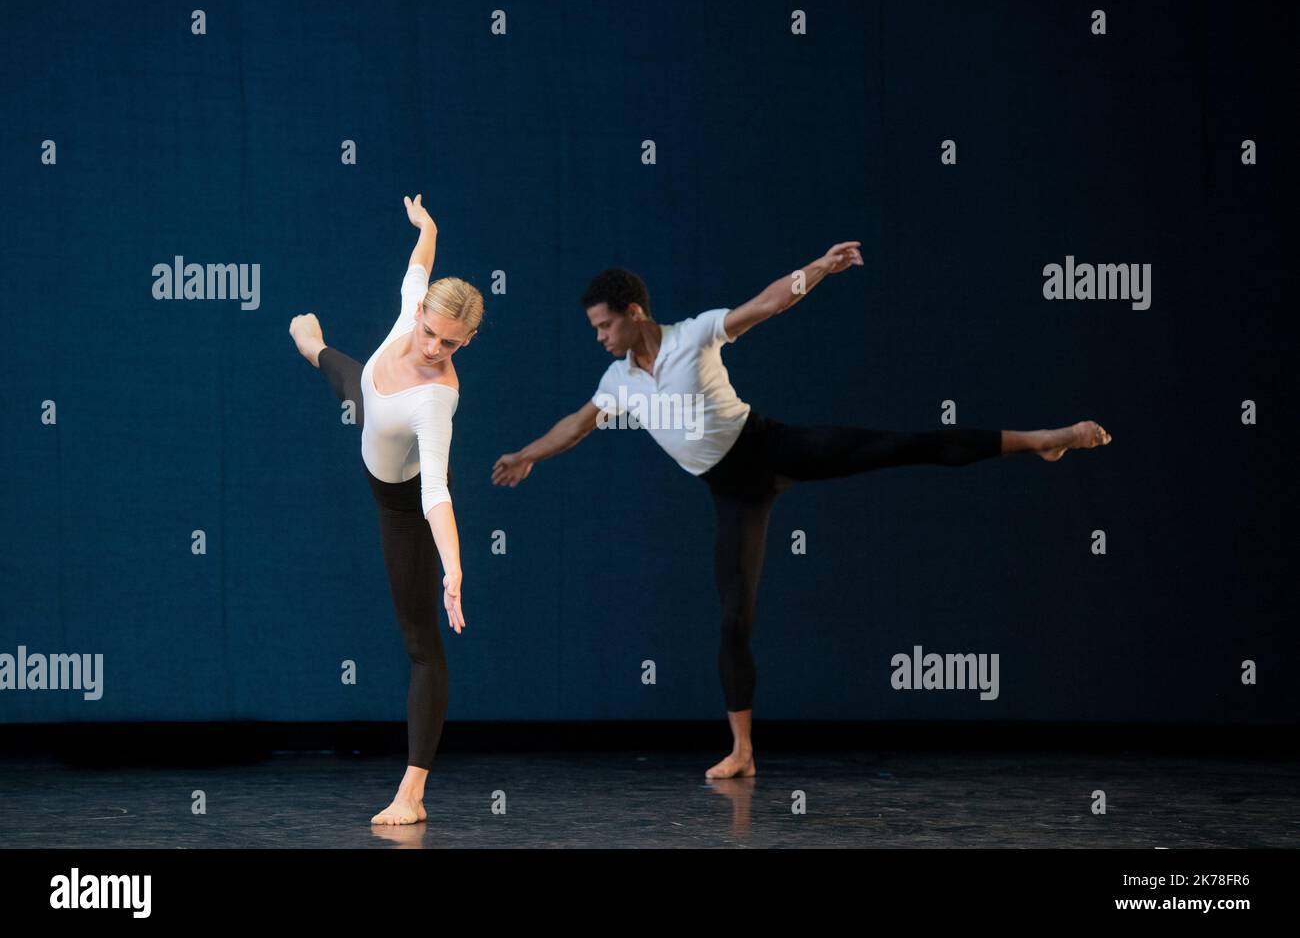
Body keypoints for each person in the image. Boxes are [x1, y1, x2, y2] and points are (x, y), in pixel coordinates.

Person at [491, 242, 1111, 778]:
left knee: (899, 446)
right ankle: (742, 751)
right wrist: (526, 455)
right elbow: (576, 425)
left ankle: (1042, 440)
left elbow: (766, 305)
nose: (600, 338)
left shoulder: (694, 335)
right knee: (734, 618)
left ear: (634, 313)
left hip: (770, 446)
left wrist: (818, 267)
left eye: (604, 326)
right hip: (732, 492)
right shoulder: (617, 383)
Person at [289, 194, 483, 823]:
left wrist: (453, 566)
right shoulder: (411, 313)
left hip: (402, 501)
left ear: (467, 340)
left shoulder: (436, 399)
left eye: (451, 343)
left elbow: (436, 493)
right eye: (430, 332)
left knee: (421, 643)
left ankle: (412, 793)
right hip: (369, 403)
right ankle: (314, 344)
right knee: (318, 351)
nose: (433, 347)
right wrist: (428, 226)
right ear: (419, 313)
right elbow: (419, 266)